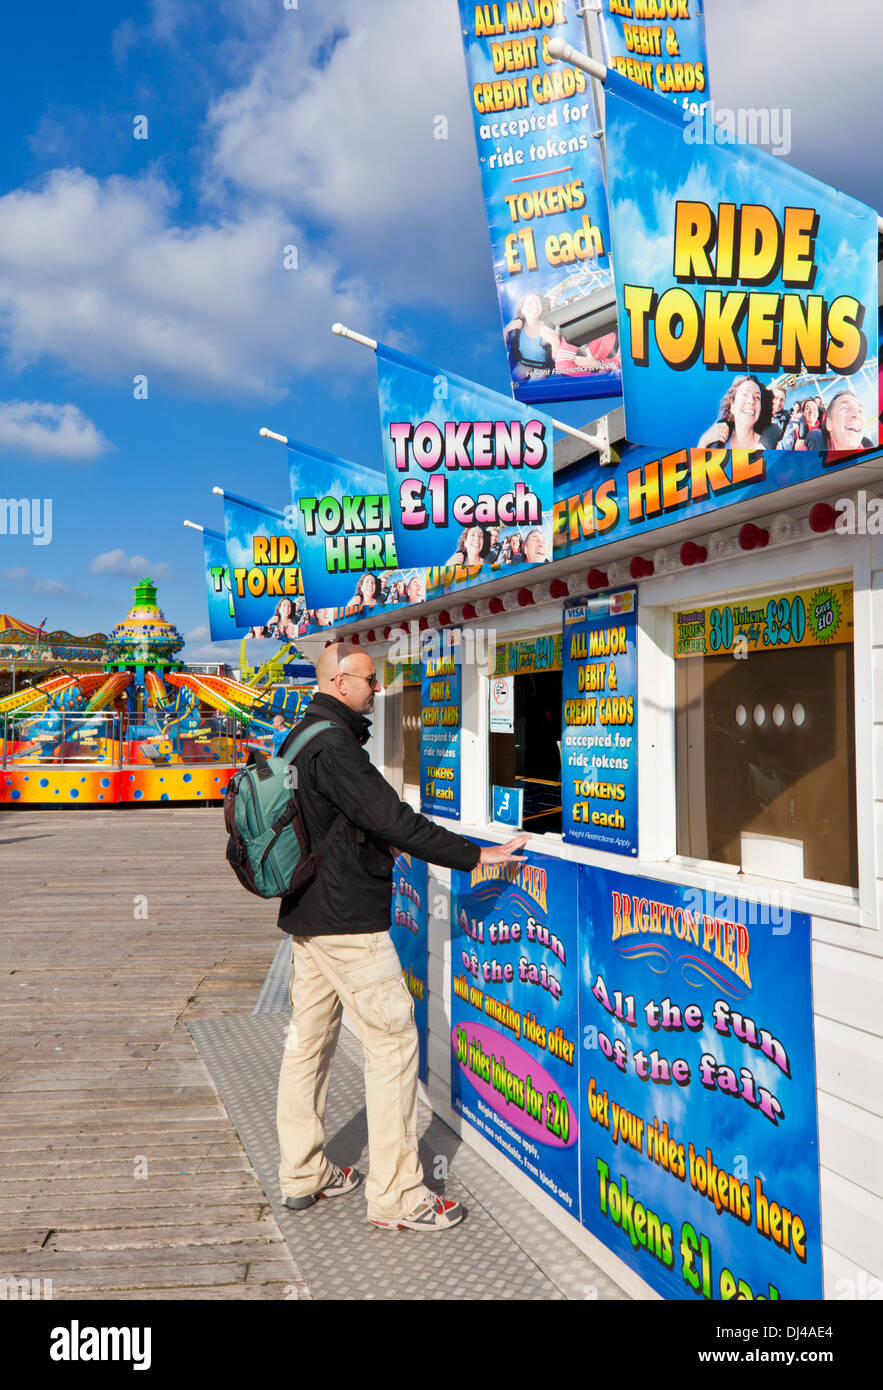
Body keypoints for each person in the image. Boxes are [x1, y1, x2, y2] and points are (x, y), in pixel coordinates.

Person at [275, 643, 528, 1231]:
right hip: (348, 923)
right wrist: (478, 855)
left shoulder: (301, 735)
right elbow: (393, 818)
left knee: (306, 1045)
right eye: (370, 679)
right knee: (392, 1044)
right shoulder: (336, 746)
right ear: (340, 682)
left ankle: (303, 1173)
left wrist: (370, 839)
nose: (379, 689)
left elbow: (336, 822)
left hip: (307, 917)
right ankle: (397, 1196)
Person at [698, 375, 775, 450]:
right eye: (744, 395)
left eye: (757, 397)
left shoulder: (770, 445)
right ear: (732, 406)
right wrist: (703, 442)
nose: (751, 401)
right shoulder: (716, 441)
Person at [503, 292, 558, 381]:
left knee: (532, 386)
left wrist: (555, 344)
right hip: (523, 364)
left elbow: (558, 360)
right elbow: (501, 350)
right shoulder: (516, 326)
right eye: (529, 303)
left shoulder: (550, 327)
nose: (534, 306)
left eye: (538, 303)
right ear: (522, 310)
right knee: (512, 380)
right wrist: (506, 330)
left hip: (543, 367)